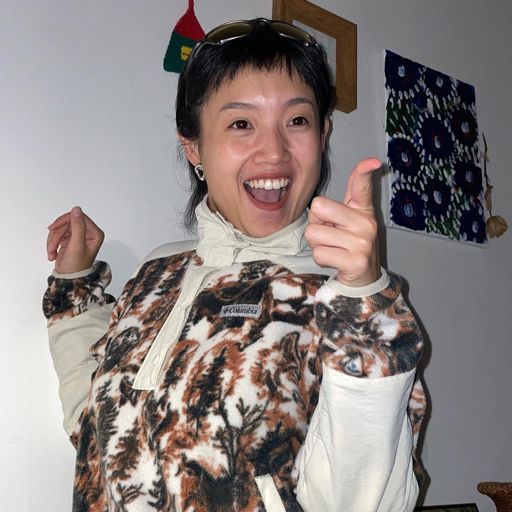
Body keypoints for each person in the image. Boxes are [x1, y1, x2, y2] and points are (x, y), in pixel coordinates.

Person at [43, 18, 426, 512]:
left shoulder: (345, 300)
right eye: (241, 124)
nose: (274, 151)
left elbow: (361, 504)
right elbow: (96, 429)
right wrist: (76, 285)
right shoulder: (157, 272)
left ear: (322, 134)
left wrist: (362, 306)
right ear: (194, 146)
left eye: (297, 121)